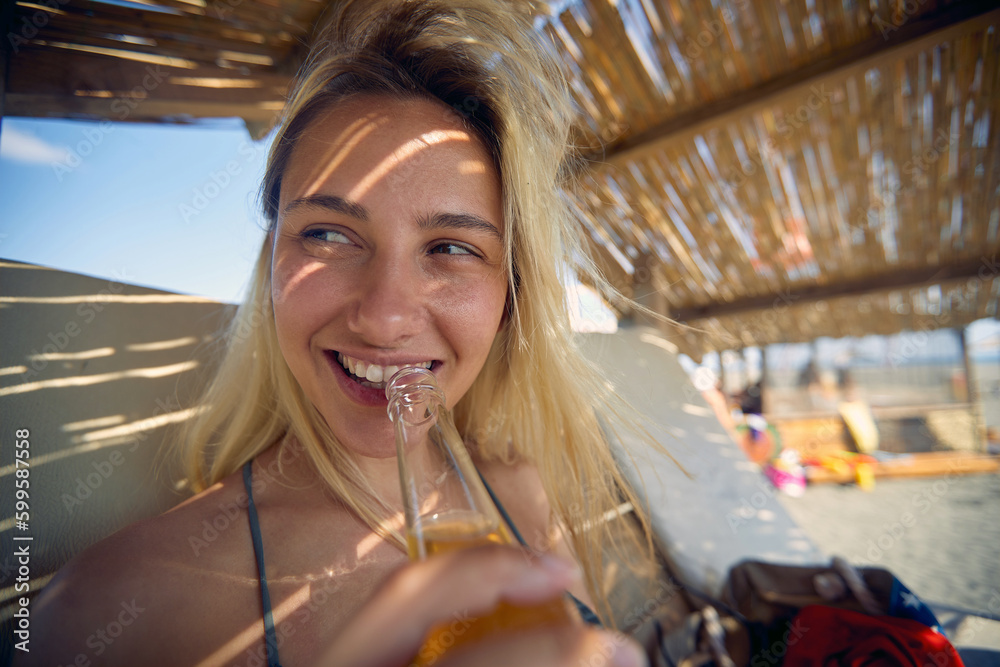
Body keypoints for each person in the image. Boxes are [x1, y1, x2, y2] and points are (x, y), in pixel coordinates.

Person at [22, 1, 660, 665]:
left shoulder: (521, 486)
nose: (384, 318)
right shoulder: (106, 608)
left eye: (451, 247)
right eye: (328, 234)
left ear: (510, 295)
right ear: (271, 264)